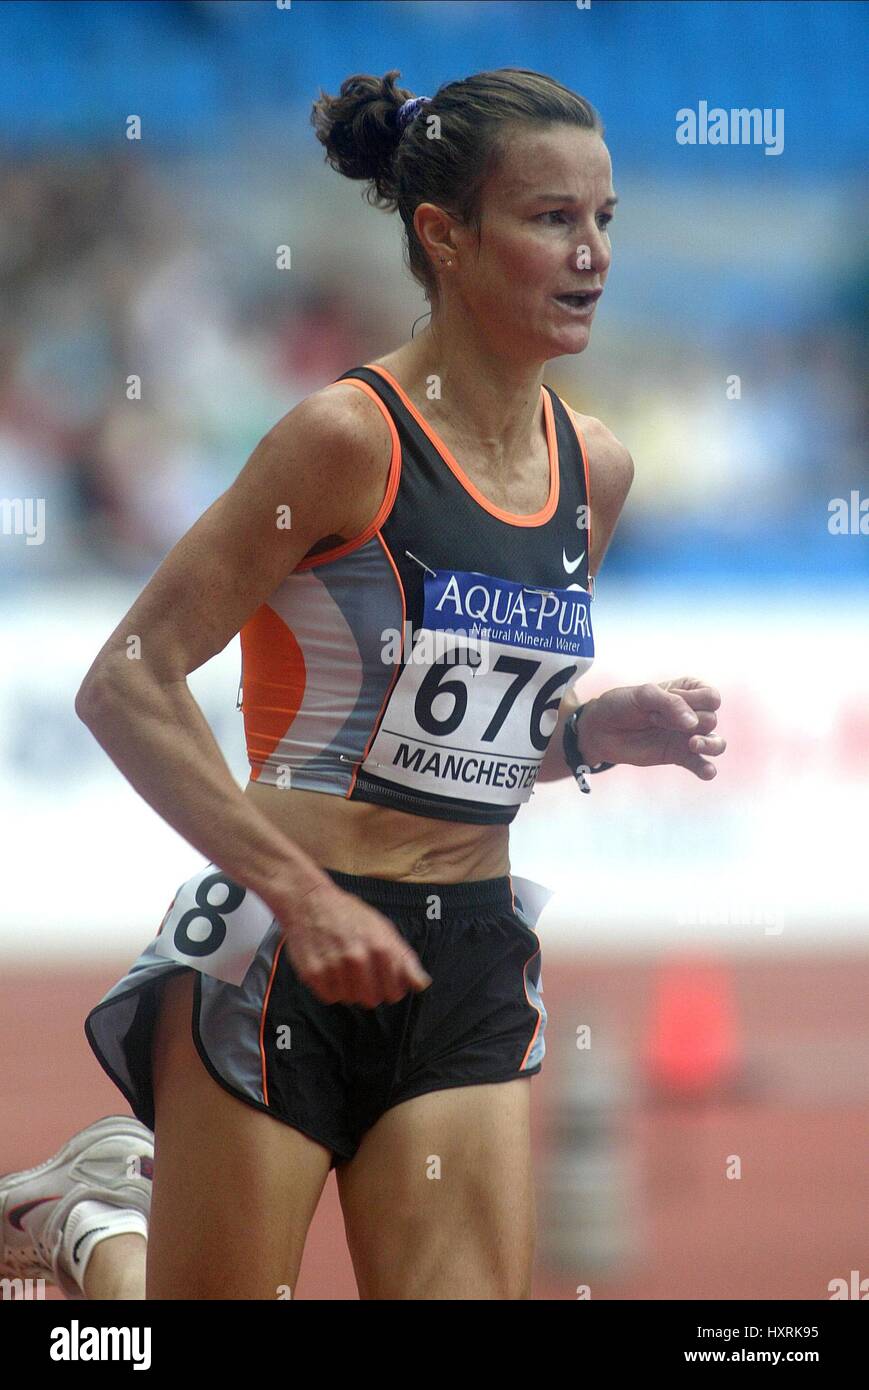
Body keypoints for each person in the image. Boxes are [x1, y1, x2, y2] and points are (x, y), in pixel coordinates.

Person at [13, 69, 725, 1302]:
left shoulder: (590, 470)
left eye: (605, 218)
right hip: (282, 946)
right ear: (443, 235)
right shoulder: (345, 440)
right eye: (552, 218)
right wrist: (300, 896)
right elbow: (126, 682)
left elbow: (448, 741)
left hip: (465, 961)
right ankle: (93, 1228)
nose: (592, 253)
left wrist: (586, 734)